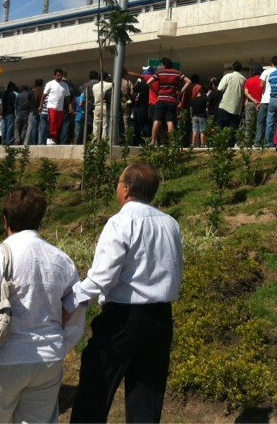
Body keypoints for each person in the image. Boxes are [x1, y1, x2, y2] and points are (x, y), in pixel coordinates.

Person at [68, 163, 184, 423]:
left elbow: (103, 276)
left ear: (127, 189)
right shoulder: (170, 223)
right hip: (161, 317)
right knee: (147, 396)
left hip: (123, 317)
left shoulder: (121, 221)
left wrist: (71, 299)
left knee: (95, 389)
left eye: (118, 183)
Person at [0, 187, 78, 423]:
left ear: (5, 220)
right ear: (40, 219)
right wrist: (63, 345)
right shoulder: (61, 259)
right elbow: (74, 310)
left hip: (0, 358)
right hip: (47, 359)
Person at [151, 59, 190, 145]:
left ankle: (153, 141)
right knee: (170, 121)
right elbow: (188, 81)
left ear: (164, 65)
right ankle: (172, 142)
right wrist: (180, 91)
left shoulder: (159, 72)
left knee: (157, 120)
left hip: (161, 99)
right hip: (172, 100)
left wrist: (155, 91)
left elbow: (148, 82)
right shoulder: (177, 73)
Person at [39, 69, 70, 146]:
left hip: (60, 108)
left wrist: (70, 106)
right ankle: (49, 138)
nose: (59, 77)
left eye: (61, 75)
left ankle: (54, 139)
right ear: (54, 75)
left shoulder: (65, 85)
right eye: (58, 75)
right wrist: (41, 105)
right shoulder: (50, 84)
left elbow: (68, 97)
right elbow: (44, 96)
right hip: (51, 107)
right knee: (52, 122)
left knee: (57, 124)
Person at [215, 61, 247, 131]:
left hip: (225, 106)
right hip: (236, 109)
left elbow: (220, 89)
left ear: (232, 67)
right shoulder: (244, 79)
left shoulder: (228, 76)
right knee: (233, 131)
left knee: (220, 129)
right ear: (241, 69)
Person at [243, 66, 264, 144]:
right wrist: (259, 101)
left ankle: (247, 141)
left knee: (248, 122)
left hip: (250, 103)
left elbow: (246, 92)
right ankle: (258, 141)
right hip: (261, 104)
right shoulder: (263, 81)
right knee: (260, 123)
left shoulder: (248, 80)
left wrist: (253, 100)